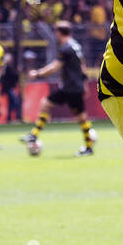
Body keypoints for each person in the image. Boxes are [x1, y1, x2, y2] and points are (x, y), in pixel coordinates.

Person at [21, 21, 96, 156]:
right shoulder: (76, 46)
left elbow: (54, 67)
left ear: (59, 32)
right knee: (51, 105)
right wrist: (84, 84)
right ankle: (34, 134)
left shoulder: (66, 49)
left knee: (79, 117)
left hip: (70, 88)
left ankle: (88, 147)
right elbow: (83, 66)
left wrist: (37, 73)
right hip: (74, 86)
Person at [0, 52, 21, 123]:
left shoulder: (5, 68)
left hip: (7, 88)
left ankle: (9, 118)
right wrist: (17, 73)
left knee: (11, 103)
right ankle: (12, 117)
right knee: (15, 102)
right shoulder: (7, 68)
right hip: (9, 88)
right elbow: (12, 77)